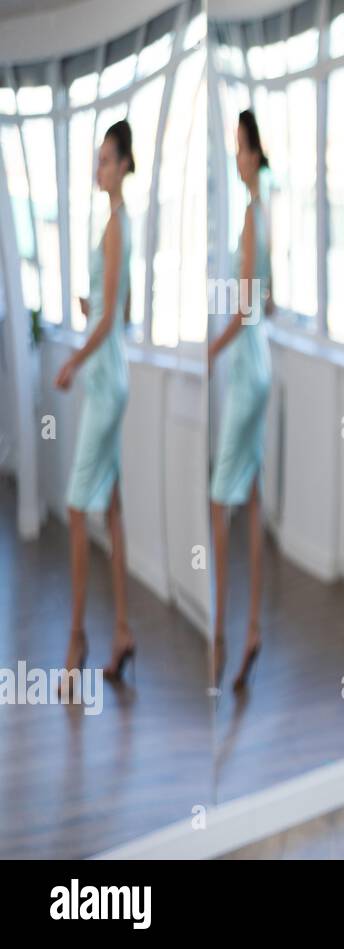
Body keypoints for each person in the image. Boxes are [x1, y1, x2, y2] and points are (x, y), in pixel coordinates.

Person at [54, 120, 137, 698]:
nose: (99, 168)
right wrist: (93, 305)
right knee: (109, 506)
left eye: (108, 160)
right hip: (111, 374)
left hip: (106, 382)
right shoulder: (116, 225)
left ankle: (77, 639)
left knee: (77, 509)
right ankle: (125, 631)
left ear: (126, 165)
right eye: (97, 159)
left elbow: (110, 321)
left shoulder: (115, 225)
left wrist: (71, 363)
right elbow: (112, 306)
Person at [208, 109, 275, 693]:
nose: (236, 157)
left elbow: (249, 303)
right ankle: (249, 627)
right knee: (248, 498)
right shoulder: (263, 210)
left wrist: (210, 350)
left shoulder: (255, 212)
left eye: (239, 148)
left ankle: (223, 634)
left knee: (218, 500)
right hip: (259, 365)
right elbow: (269, 300)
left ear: (255, 154)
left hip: (248, 368)